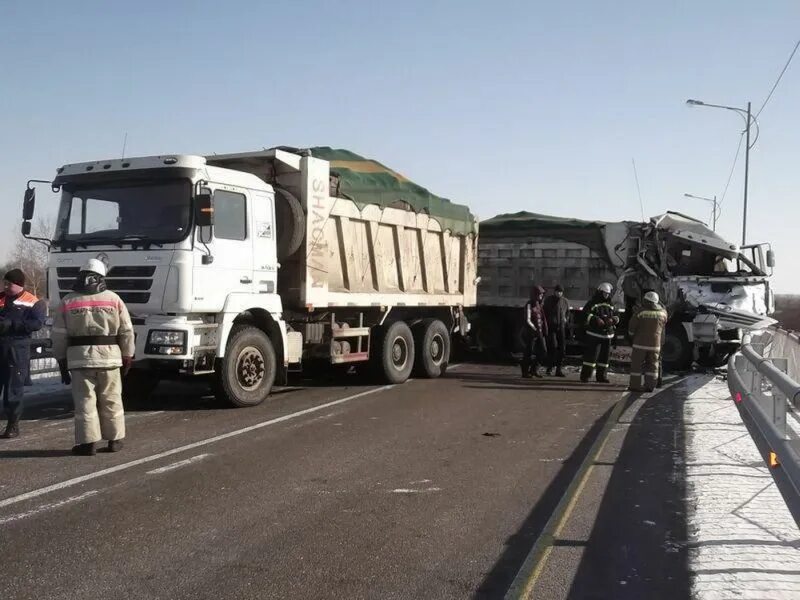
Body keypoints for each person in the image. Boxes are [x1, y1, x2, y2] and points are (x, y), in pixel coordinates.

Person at [52, 259, 135, 456]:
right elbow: (126, 331)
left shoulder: (68, 301)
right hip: (109, 358)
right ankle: (115, 440)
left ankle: (88, 443)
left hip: (79, 359)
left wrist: (61, 360)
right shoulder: (114, 299)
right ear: (102, 277)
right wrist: (127, 356)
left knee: (84, 401)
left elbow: (58, 335)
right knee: (112, 398)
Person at [0, 269, 46, 439]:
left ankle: (13, 424)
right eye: (4, 283)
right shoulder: (1, 298)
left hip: (17, 348)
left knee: (13, 389)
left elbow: (36, 323)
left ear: (18, 285)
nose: (5, 286)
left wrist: (12, 324)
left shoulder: (33, 302)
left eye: (8, 284)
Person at [628, 291, 668, 392]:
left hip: (639, 344)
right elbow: (663, 327)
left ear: (646, 300)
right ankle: (650, 386)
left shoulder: (640, 312)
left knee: (636, 366)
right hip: (655, 345)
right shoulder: (663, 313)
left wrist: (631, 336)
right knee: (653, 365)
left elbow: (632, 326)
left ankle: (635, 386)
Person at [580, 282, 619, 383]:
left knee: (604, 358)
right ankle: (586, 376)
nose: (606, 295)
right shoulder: (592, 303)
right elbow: (585, 315)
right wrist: (595, 319)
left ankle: (601, 376)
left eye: (607, 294)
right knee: (591, 357)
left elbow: (616, 315)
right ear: (600, 292)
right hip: (594, 335)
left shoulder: (611, 304)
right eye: (604, 293)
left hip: (607, 335)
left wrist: (613, 320)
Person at [521, 285, 548, 378]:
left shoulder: (539, 304)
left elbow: (542, 318)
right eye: (540, 294)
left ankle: (534, 369)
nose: (541, 296)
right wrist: (535, 329)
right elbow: (528, 320)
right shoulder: (529, 304)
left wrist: (544, 329)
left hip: (539, 333)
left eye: (542, 294)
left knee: (543, 351)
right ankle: (525, 372)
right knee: (528, 352)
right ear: (535, 294)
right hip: (531, 333)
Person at [544, 284, 570, 377]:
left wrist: (566, 319)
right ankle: (549, 368)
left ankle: (558, 369)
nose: (559, 293)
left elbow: (567, 313)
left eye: (560, 292)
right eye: (557, 291)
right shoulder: (549, 300)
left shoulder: (565, 301)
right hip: (552, 328)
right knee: (553, 347)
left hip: (561, 327)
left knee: (562, 349)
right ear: (554, 292)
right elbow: (544, 313)